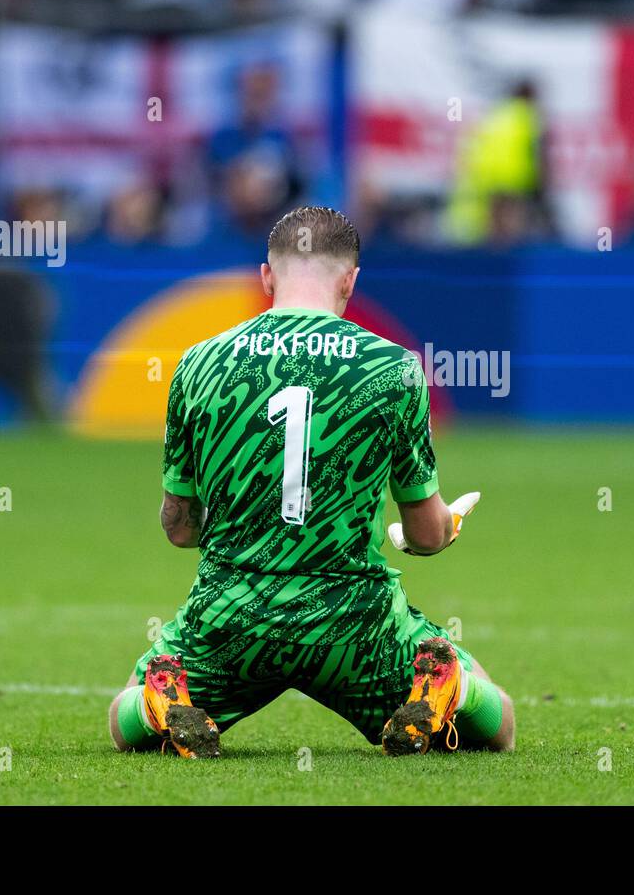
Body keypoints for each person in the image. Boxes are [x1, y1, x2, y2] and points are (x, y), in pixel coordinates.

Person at [108, 206, 514, 757]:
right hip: (353, 623)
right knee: (499, 723)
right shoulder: (393, 368)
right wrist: (445, 529)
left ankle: (158, 703)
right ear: (349, 280)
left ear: (267, 277)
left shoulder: (197, 364)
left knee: (121, 718)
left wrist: (246, 528)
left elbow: (179, 527)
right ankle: (452, 689)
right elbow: (424, 534)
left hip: (232, 617)